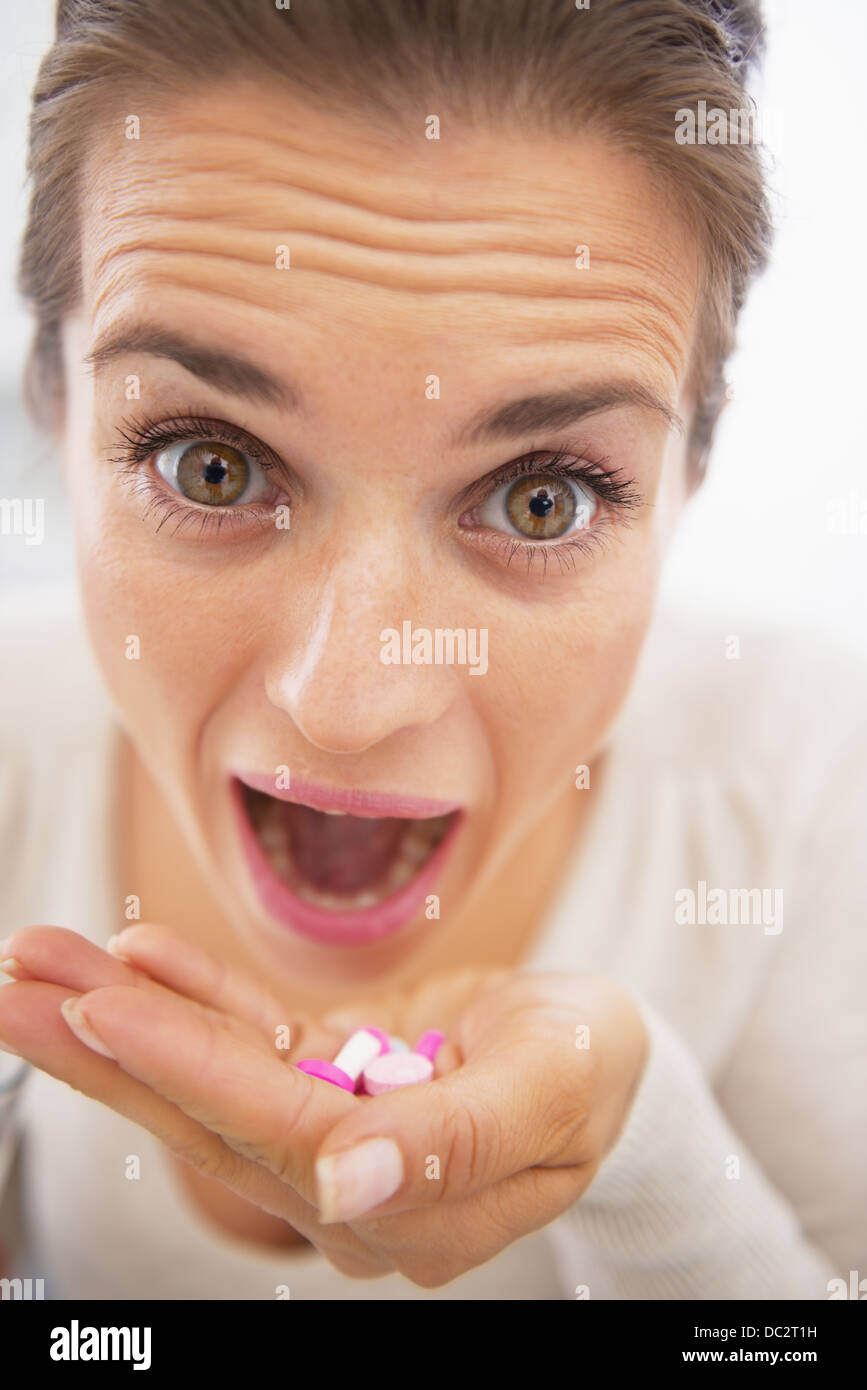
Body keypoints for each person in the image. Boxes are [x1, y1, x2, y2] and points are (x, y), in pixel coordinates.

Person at [0, 0, 864, 1300]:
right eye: (211, 463)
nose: (348, 703)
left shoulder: (811, 785)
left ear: (692, 470)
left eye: (540, 498)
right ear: (54, 406)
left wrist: (640, 1151)